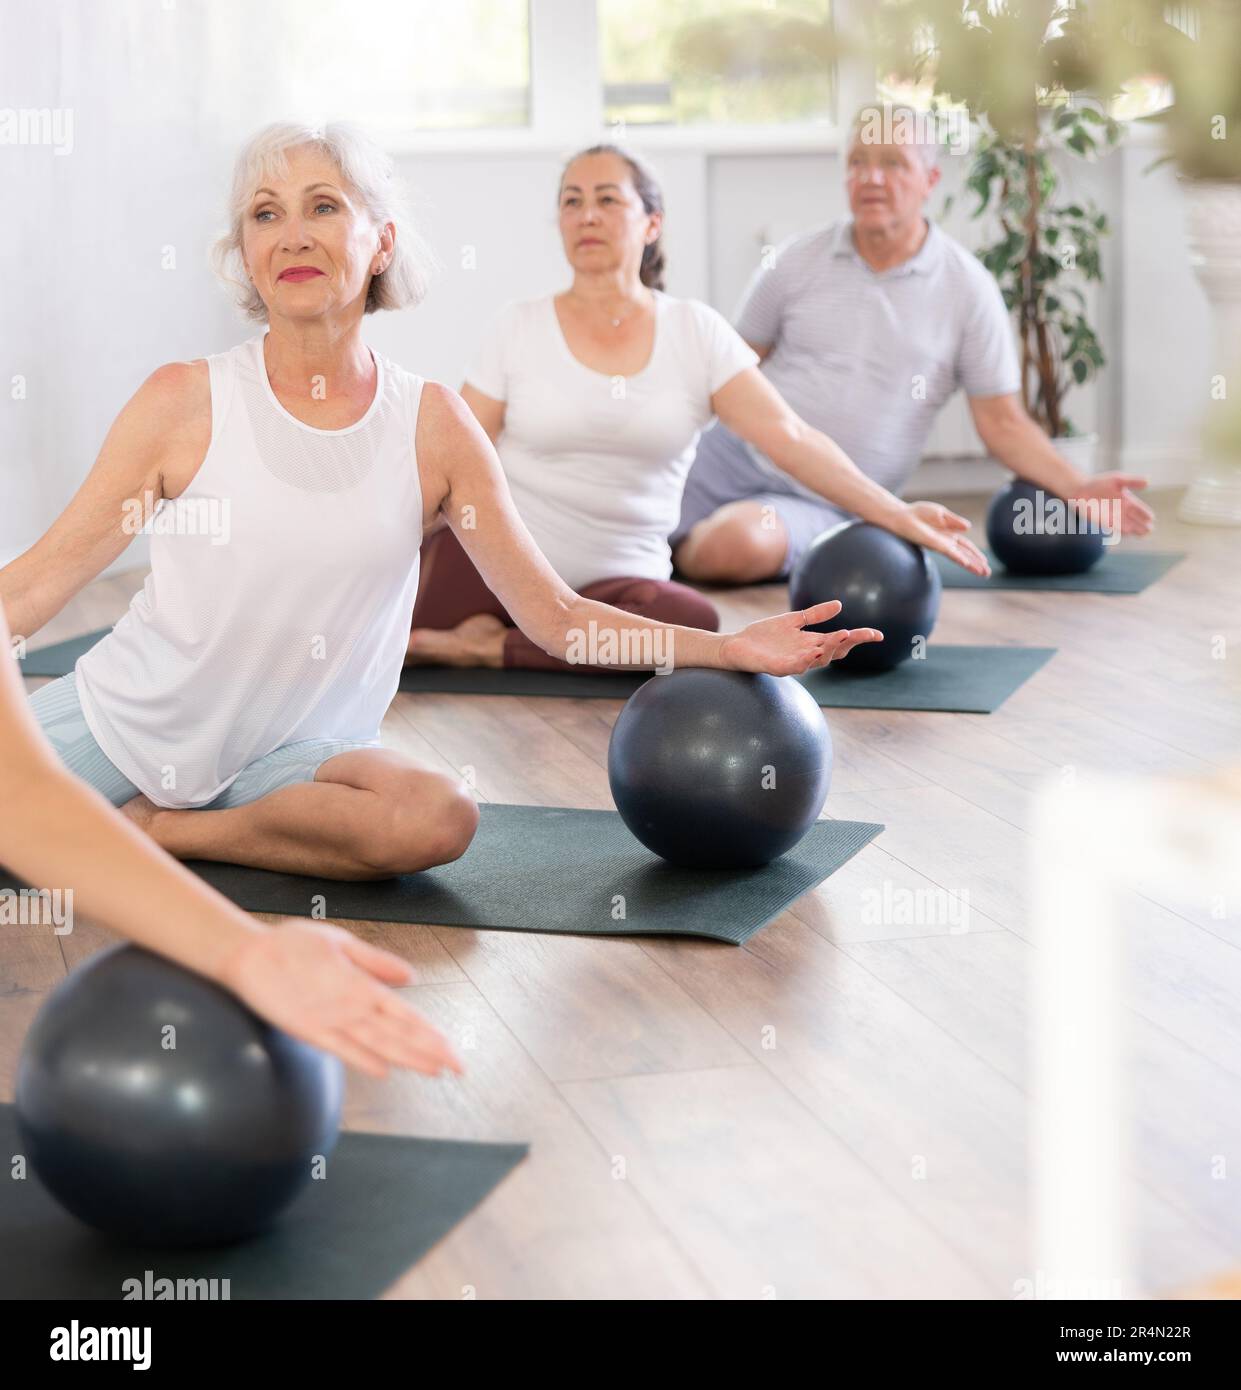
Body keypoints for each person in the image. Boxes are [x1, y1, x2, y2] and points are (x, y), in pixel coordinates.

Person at [0, 120, 876, 885]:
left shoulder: (430, 425)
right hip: (123, 727)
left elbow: (561, 620)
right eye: (265, 214)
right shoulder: (182, 401)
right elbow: (33, 591)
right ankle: (126, 818)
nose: (291, 234)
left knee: (436, 818)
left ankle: (166, 834)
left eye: (323, 207)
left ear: (380, 241)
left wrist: (727, 648)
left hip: (299, 764)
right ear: (247, 254)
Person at [406, 143, 989, 672]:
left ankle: (481, 646)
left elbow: (789, 436)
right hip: (504, 569)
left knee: (692, 627)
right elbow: (458, 453)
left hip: (621, 582)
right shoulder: (518, 326)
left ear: (652, 222)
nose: (587, 215)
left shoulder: (695, 332)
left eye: (608, 199)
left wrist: (897, 514)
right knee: (402, 610)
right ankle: (504, 633)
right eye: (572, 201)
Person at [670, 104, 1157, 586]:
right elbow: (727, 374)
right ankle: (648, 560)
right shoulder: (796, 260)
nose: (872, 178)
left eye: (892, 163)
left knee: (737, 545)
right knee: (607, 506)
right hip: (725, 457)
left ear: (930, 179)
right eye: (858, 162)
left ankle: (660, 566)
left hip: (831, 499)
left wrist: (1076, 485)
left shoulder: (967, 289)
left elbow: (1002, 422)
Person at [2, 605, 460, 1080]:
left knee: (427, 814)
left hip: (289, 735)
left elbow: (21, 797)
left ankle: (165, 825)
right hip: (133, 713)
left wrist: (241, 950)